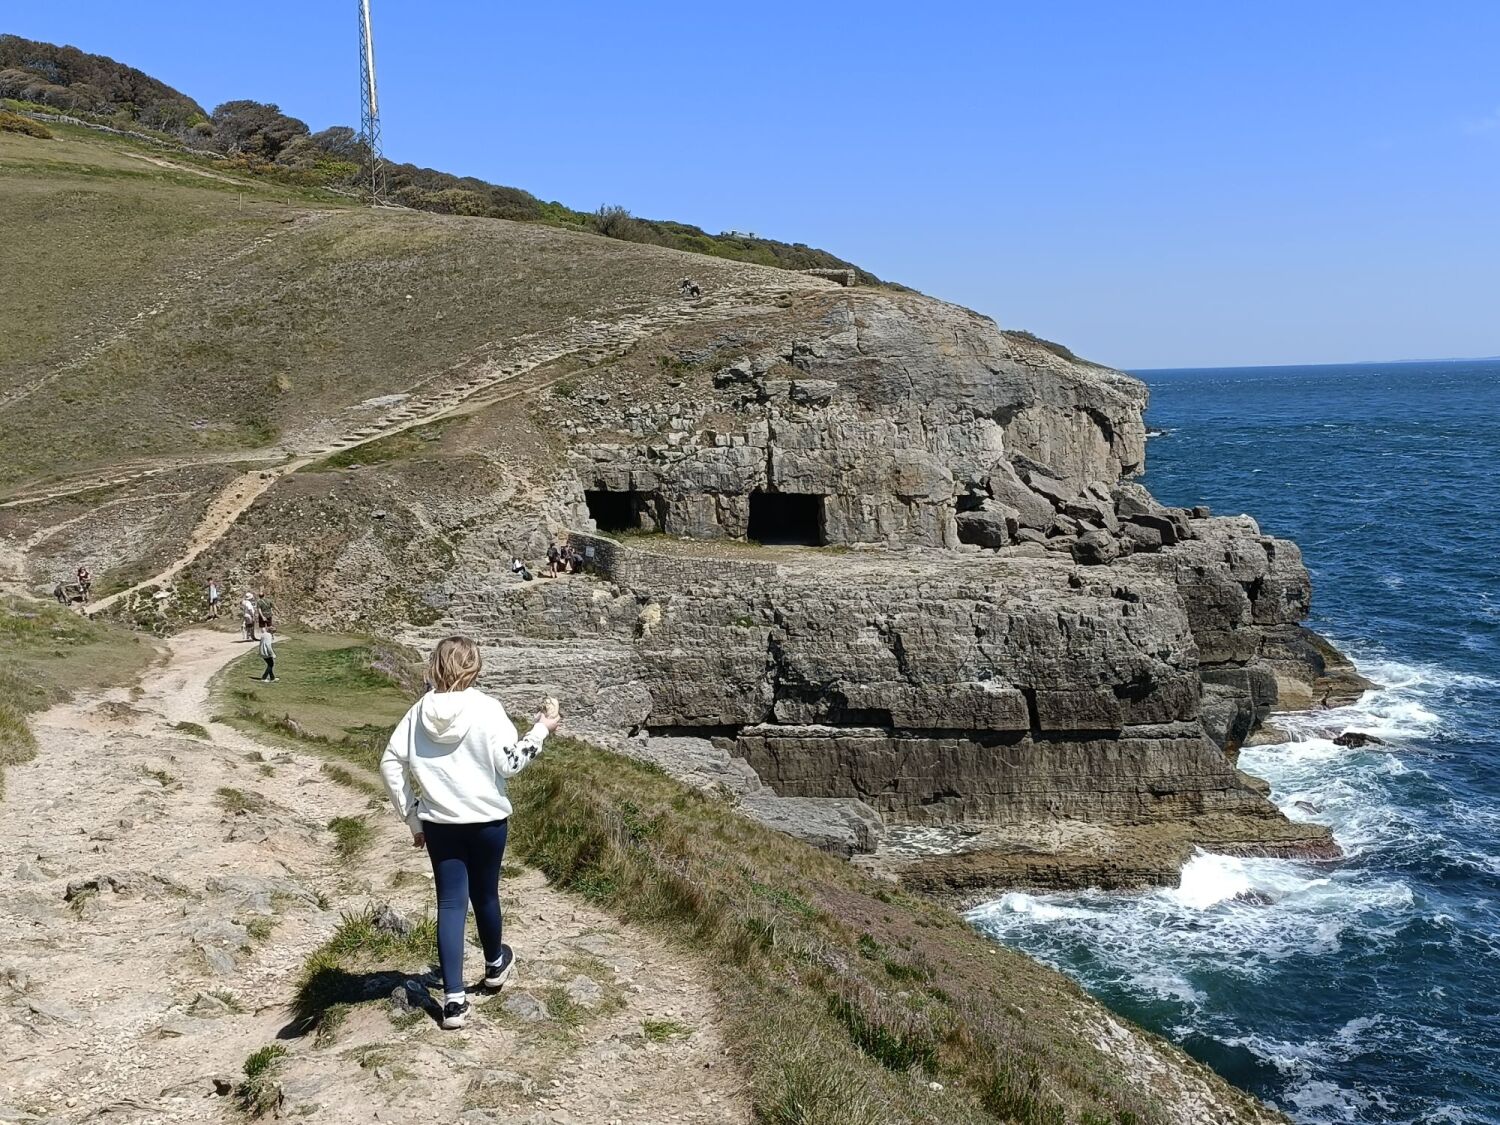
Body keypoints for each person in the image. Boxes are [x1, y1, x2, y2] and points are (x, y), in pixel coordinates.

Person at [379, 636, 561, 1031]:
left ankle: (454, 1002)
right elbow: (510, 763)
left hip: (440, 824)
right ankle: (495, 965)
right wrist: (541, 730)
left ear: (436, 667)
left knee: (450, 904)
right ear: (475, 667)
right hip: (487, 821)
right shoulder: (487, 708)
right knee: (486, 892)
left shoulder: (418, 712)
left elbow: (390, 763)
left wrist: (412, 816)